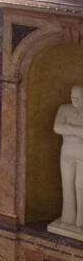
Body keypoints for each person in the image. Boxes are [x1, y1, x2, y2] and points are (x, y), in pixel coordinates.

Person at [54, 85, 83, 230]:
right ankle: (68, 218)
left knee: (80, 186)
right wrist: (77, 130)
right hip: (67, 151)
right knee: (67, 184)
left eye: (80, 98)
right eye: (74, 97)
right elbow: (57, 127)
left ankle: (81, 220)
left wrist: (69, 128)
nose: (76, 100)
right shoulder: (64, 109)